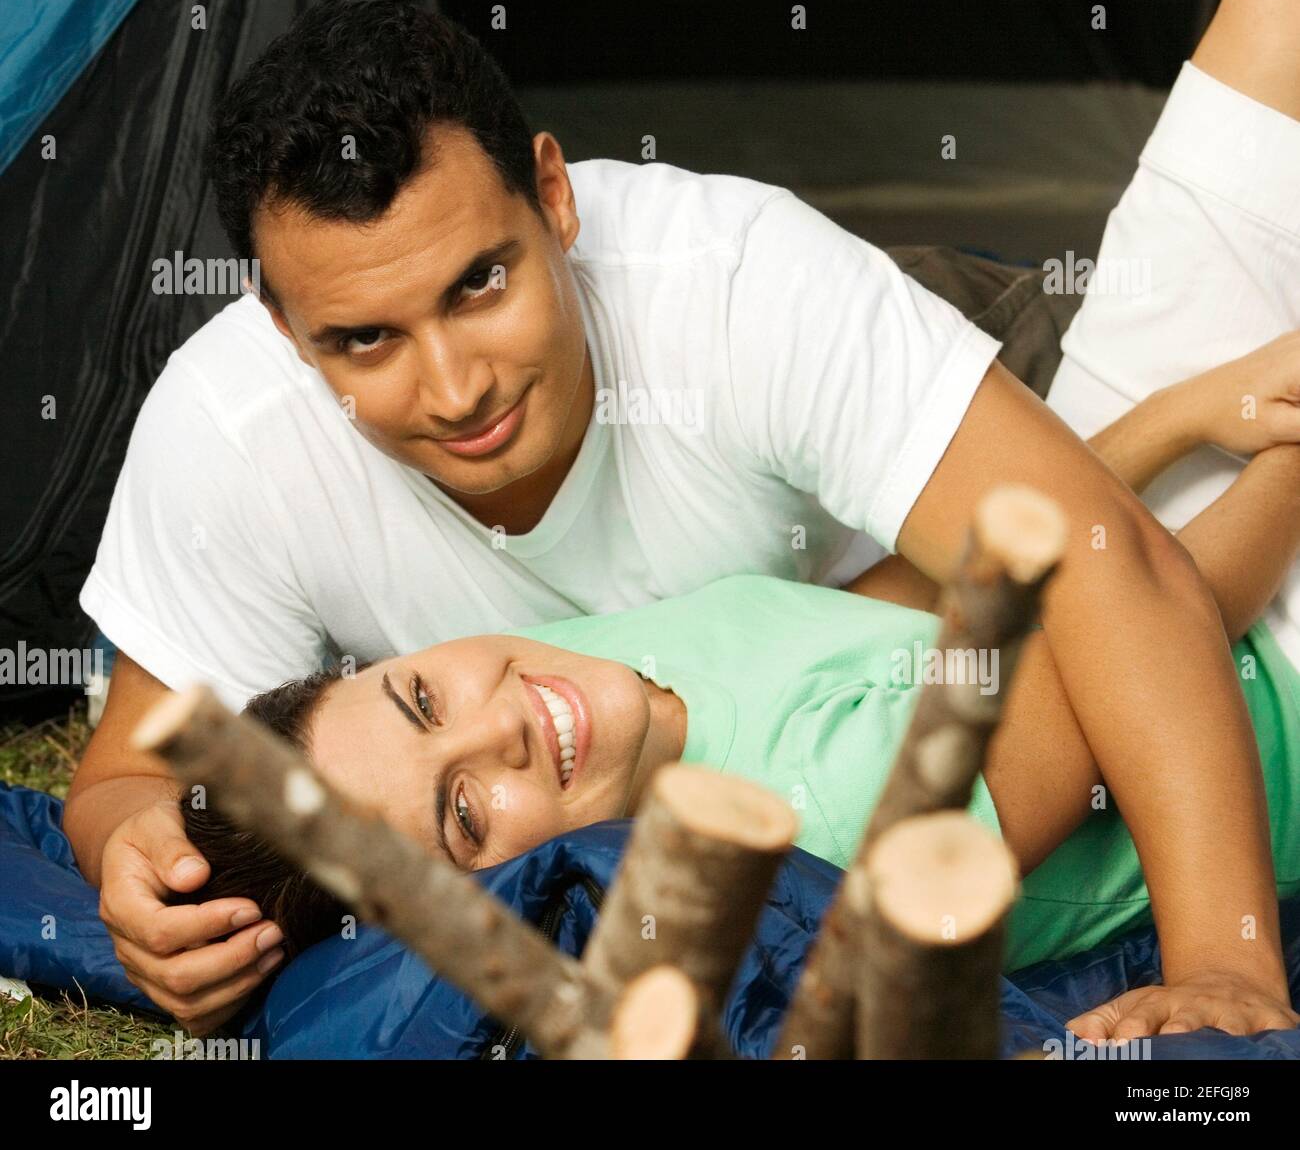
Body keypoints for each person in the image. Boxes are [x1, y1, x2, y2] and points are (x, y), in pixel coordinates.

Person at [63, 0, 1300, 1040]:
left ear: (556, 198)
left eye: (481, 283)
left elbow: (1097, 561)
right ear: (282, 330)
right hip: (1088, 623)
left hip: (987, 450)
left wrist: (1227, 962)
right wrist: (149, 871)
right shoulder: (234, 433)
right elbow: (124, 776)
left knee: (1280, 6)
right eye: (363, 342)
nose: (453, 387)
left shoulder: (737, 284)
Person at [177, 330, 1300, 1041]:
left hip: (1166, 529)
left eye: (422, 699)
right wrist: (1284, 451)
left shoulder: (582, 681)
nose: (500, 724)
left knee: (1272, 6)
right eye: (463, 814)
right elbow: (1136, 606)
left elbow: (916, 602)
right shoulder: (826, 829)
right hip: (1267, 664)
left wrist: (1196, 411)